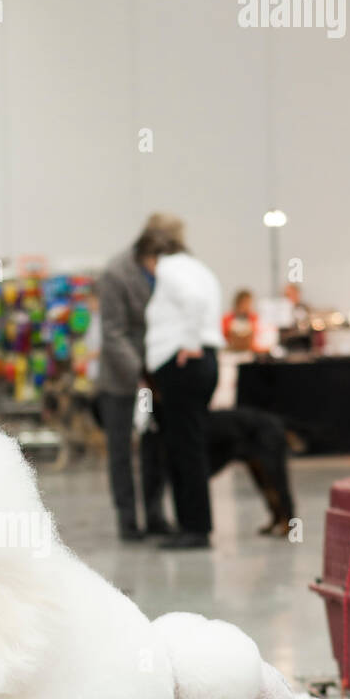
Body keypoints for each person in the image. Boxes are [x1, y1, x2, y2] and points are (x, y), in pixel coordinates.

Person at [139, 218, 224, 550]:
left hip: (184, 365)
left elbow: (195, 303)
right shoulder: (196, 267)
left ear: (152, 254)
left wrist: (189, 342)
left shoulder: (171, 270)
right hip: (201, 363)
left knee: (184, 447)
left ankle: (195, 529)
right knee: (188, 445)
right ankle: (192, 524)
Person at [97, 218, 174, 541]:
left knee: (155, 447)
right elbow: (113, 333)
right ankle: (128, 521)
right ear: (147, 251)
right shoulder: (115, 273)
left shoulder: (170, 269)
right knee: (121, 453)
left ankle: (155, 514)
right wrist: (140, 373)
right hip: (120, 379)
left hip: (156, 375)